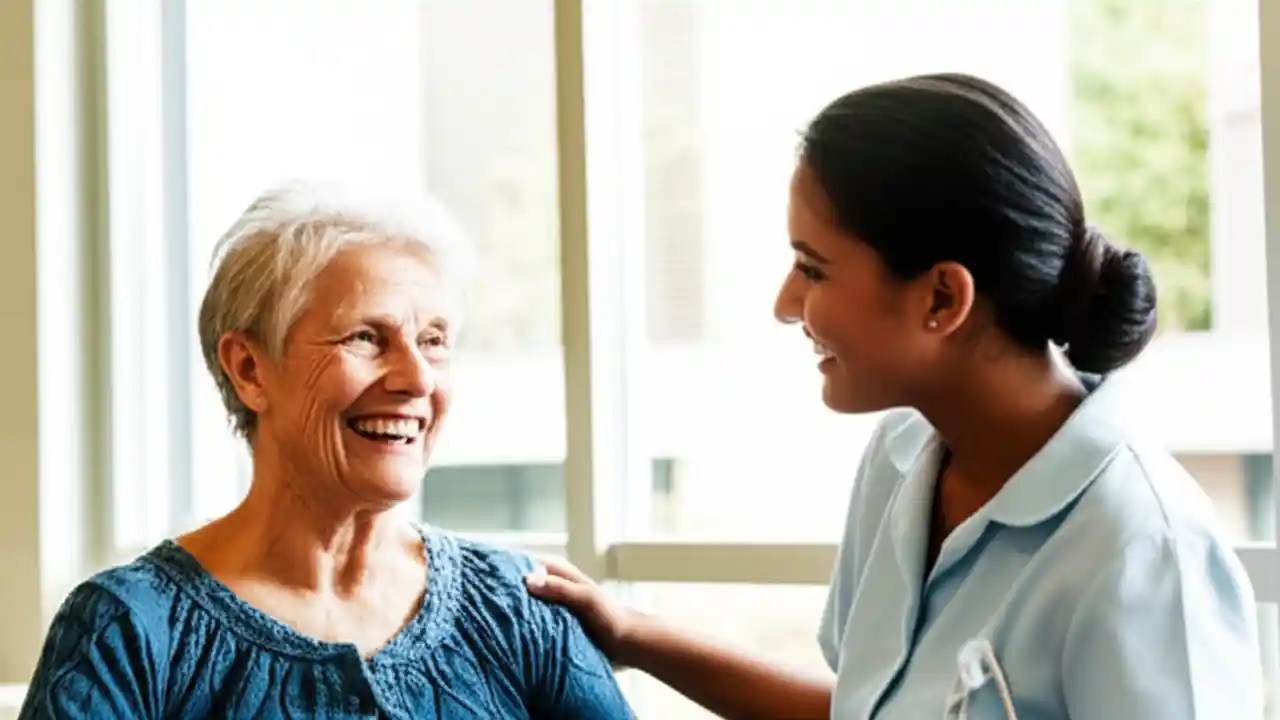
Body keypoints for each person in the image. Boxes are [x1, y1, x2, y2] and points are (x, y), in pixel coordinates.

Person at [526, 73, 1264, 719]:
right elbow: (863, 709)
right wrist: (629, 632)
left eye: (813, 269)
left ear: (943, 297)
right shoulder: (903, 455)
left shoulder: (1143, 549)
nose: (786, 304)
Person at [20, 181, 634, 719]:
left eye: (434, 340)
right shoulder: (127, 628)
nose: (417, 378)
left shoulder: (516, 606)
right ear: (250, 369)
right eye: (367, 337)